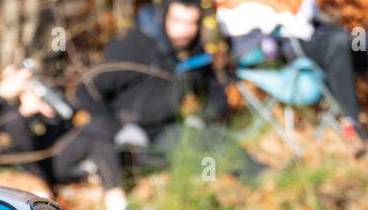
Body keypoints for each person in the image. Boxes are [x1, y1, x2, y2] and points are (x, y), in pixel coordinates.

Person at [0, 16, 150, 210]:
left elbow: (54, 122)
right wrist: (6, 101)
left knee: (97, 129)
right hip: (16, 168)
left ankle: (117, 203)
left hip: (40, 153)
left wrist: (38, 109)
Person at [77, 0, 263, 178]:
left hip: (162, 133)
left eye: (192, 23)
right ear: (164, 16)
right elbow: (86, 89)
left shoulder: (193, 54)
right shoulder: (134, 47)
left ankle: (261, 176)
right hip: (123, 138)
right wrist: (118, 130)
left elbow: (215, 96)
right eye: (178, 21)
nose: (184, 30)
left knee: (213, 140)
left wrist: (201, 118)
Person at [215, 0, 368, 146]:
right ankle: (352, 123)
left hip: (331, 39)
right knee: (339, 40)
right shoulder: (229, 7)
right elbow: (286, 20)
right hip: (300, 51)